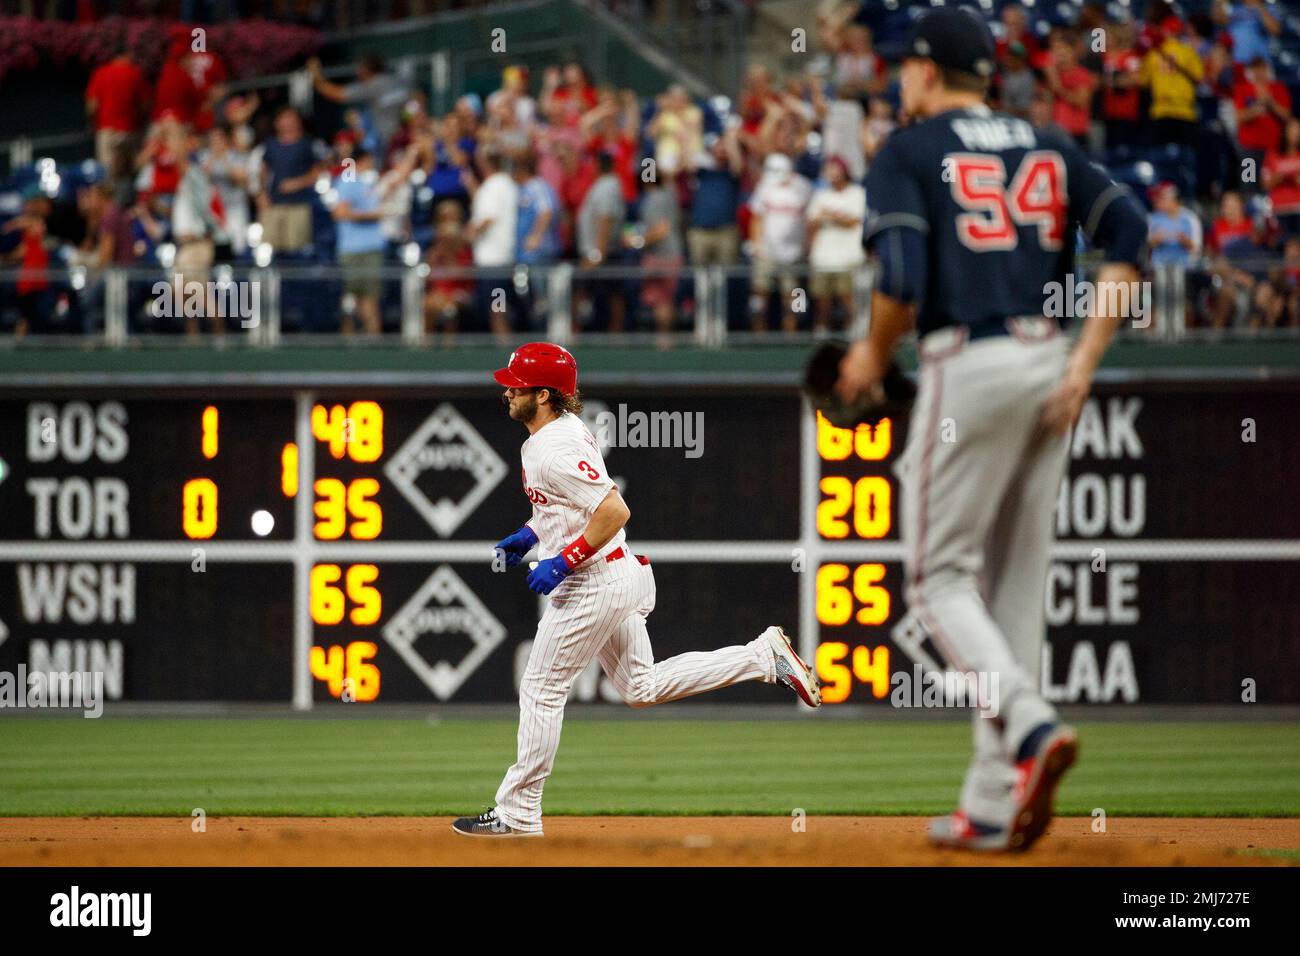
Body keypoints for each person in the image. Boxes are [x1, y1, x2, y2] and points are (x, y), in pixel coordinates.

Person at [835, 7, 1146, 851]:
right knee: (1014, 594)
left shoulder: (907, 151)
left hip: (965, 364)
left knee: (937, 581)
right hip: (1050, 364)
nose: (901, 79)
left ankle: (1033, 725)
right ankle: (992, 802)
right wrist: (1084, 364)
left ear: (929, 72)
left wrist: (867, 357)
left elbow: (900, 279)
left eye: (907, 66)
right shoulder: (1047, 144)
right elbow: (1132, 232)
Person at [451, 343, 820, 837]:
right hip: (618, 575)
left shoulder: (554, 446)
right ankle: (761, 657)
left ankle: (518, 814)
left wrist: (562, 559)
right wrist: (532, 534)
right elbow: (567, 508)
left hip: (595, 583)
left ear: (543, 394)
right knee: (639, 688)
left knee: (541, 688)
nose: (506, 390)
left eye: (516, 385)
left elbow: (613, 511)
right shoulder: (554, 434)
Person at [748, 152, 811, 332]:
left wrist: (806, 247)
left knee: (794, 296)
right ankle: (758, 338)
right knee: (758, 297)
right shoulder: (764, 186)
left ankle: (792, 336)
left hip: (793, 253)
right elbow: (756, 217)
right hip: (766, 251)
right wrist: (756, 245)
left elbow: (809, 218)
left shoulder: (803, 186)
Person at [806, 156, 865, 334]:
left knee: (847, 297)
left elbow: (854, 221)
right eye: (828, 169)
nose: (832, 173)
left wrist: (831, 216)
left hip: (848, 257)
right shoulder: (820, 195)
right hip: (823, 256)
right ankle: (822, 331)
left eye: (835, 168)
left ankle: (852, 332)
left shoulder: (857, 193)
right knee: (822, 299)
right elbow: (812, 222)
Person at [332, 148, 387, 335]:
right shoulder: (348, 181)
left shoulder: (368, 183)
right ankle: (347, 346)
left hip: (371, 247)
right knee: (351, 300)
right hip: (354, 249)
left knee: (370, 299)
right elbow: (340, 213)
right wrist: (374, 215)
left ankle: (373, 348)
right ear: (362, 160)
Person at [465, 149, 520, 336]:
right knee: (498, 308)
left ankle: (504, 350)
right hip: (502, 257)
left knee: (497, 310)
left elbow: (488, 218)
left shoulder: (493, 185)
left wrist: (466, 235)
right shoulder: (507, 184)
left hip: (493, 260)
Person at [308, 53, 413, 150]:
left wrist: (315, 73)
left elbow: (336, 94)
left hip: (387, 142)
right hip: (407, 137)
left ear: (365, 69)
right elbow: (416, 101)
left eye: (359, 68)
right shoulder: (397, 81)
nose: (358, 72)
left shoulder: (373, 86)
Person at [259, 107, 324, 255]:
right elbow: (264, 171)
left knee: (296, 249)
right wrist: (262, 193)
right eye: (283, 118)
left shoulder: (307, 144)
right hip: (274, 204)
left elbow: (318, 172)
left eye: (291, 118)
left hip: (299, 204)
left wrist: (297, 183)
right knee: (270, 249)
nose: (287, 122)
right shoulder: (271, 144)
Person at [85, 40, 150, 178]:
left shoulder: (101, 73)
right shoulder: (135, 73)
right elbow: (145, 105)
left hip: (107, 130)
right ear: (125, 55)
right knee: (133, 172)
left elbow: (92, 106)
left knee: (107, 175)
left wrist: (92, 125)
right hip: (130, 130)